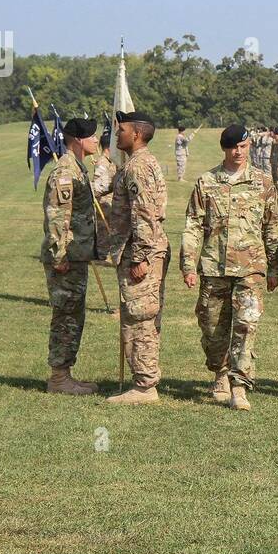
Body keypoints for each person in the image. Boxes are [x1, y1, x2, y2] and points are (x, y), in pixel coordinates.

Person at [180, 124, 278, 410]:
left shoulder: (263, 182)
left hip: (250, 269)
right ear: (224, 149)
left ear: (249, 146)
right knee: (213, 330)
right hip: (214, 268)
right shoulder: (206, 182)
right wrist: (188, 264)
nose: (238, 152)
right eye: (233, 147)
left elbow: (272, 227)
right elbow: (193, 226)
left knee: (246, 325)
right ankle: (220, 372)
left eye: (243, 146)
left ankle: (239, 386)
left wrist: (274, 267)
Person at [106, 110, 171, 404]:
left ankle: (144, 387)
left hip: (142, 251)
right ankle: (145, 381)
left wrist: (140, 256)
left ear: (137, 134)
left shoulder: (137, 167)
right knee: (143, 315)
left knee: (139, 317)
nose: (117, 133)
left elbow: (144, 213)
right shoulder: (137, 163)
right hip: (144, 248)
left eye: (122, 129)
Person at [41, 117, 102, 395]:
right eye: (91, 136)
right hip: (66, 258)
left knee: (73, 314)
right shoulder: (65, 172)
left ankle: (65, 374)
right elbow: (56, 217)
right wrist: (59, 255)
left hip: (76, 256)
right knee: (66, 316)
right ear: (78, 140)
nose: (96, 140)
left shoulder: (78, 169)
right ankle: (59, 378)